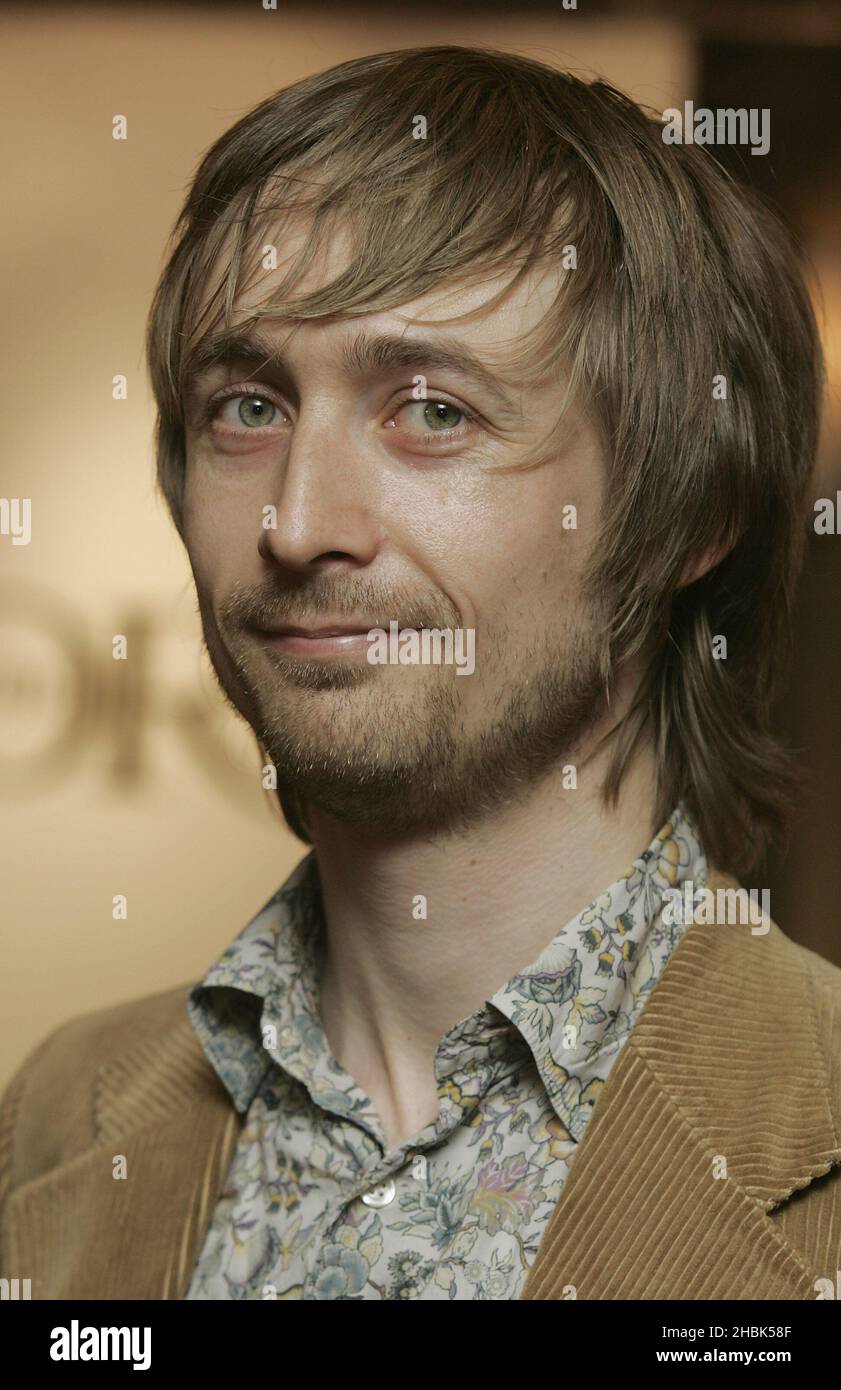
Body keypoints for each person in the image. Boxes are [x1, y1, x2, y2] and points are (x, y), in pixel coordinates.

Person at [2, 45, 839, 1302]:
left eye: (433, 411)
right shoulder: (61, 1116)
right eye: (247, 406)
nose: (297, 521)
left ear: (690, 510)